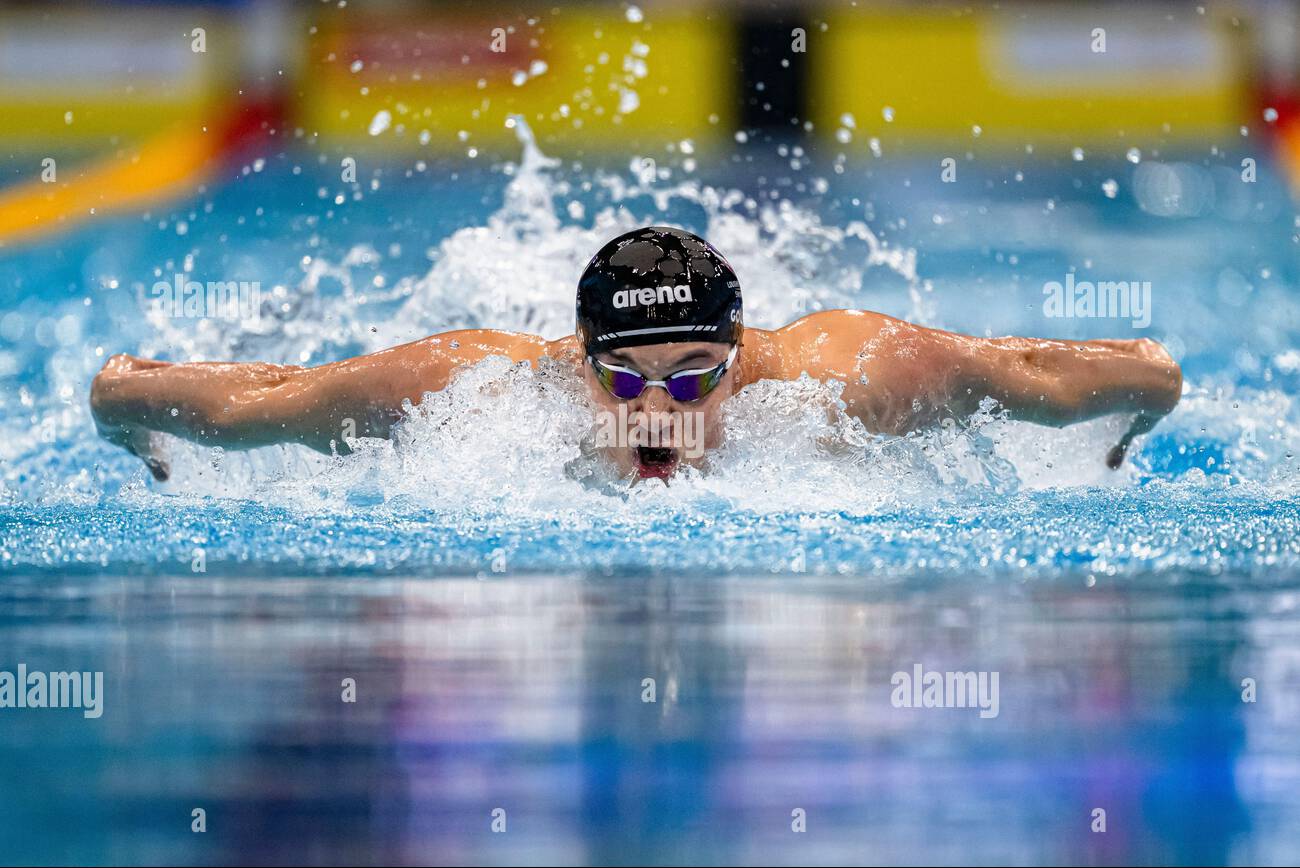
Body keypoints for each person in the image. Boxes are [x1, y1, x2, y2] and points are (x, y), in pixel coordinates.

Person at [90, 226, 1182, 483]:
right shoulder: (471, 389)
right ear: (578, 358)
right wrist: (127, 415)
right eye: (624, 378)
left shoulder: (859, 378)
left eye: (692, 377)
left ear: (740, 352)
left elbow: (1095, 369)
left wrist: (1129, 422)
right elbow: (238, 403)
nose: (655, 410)